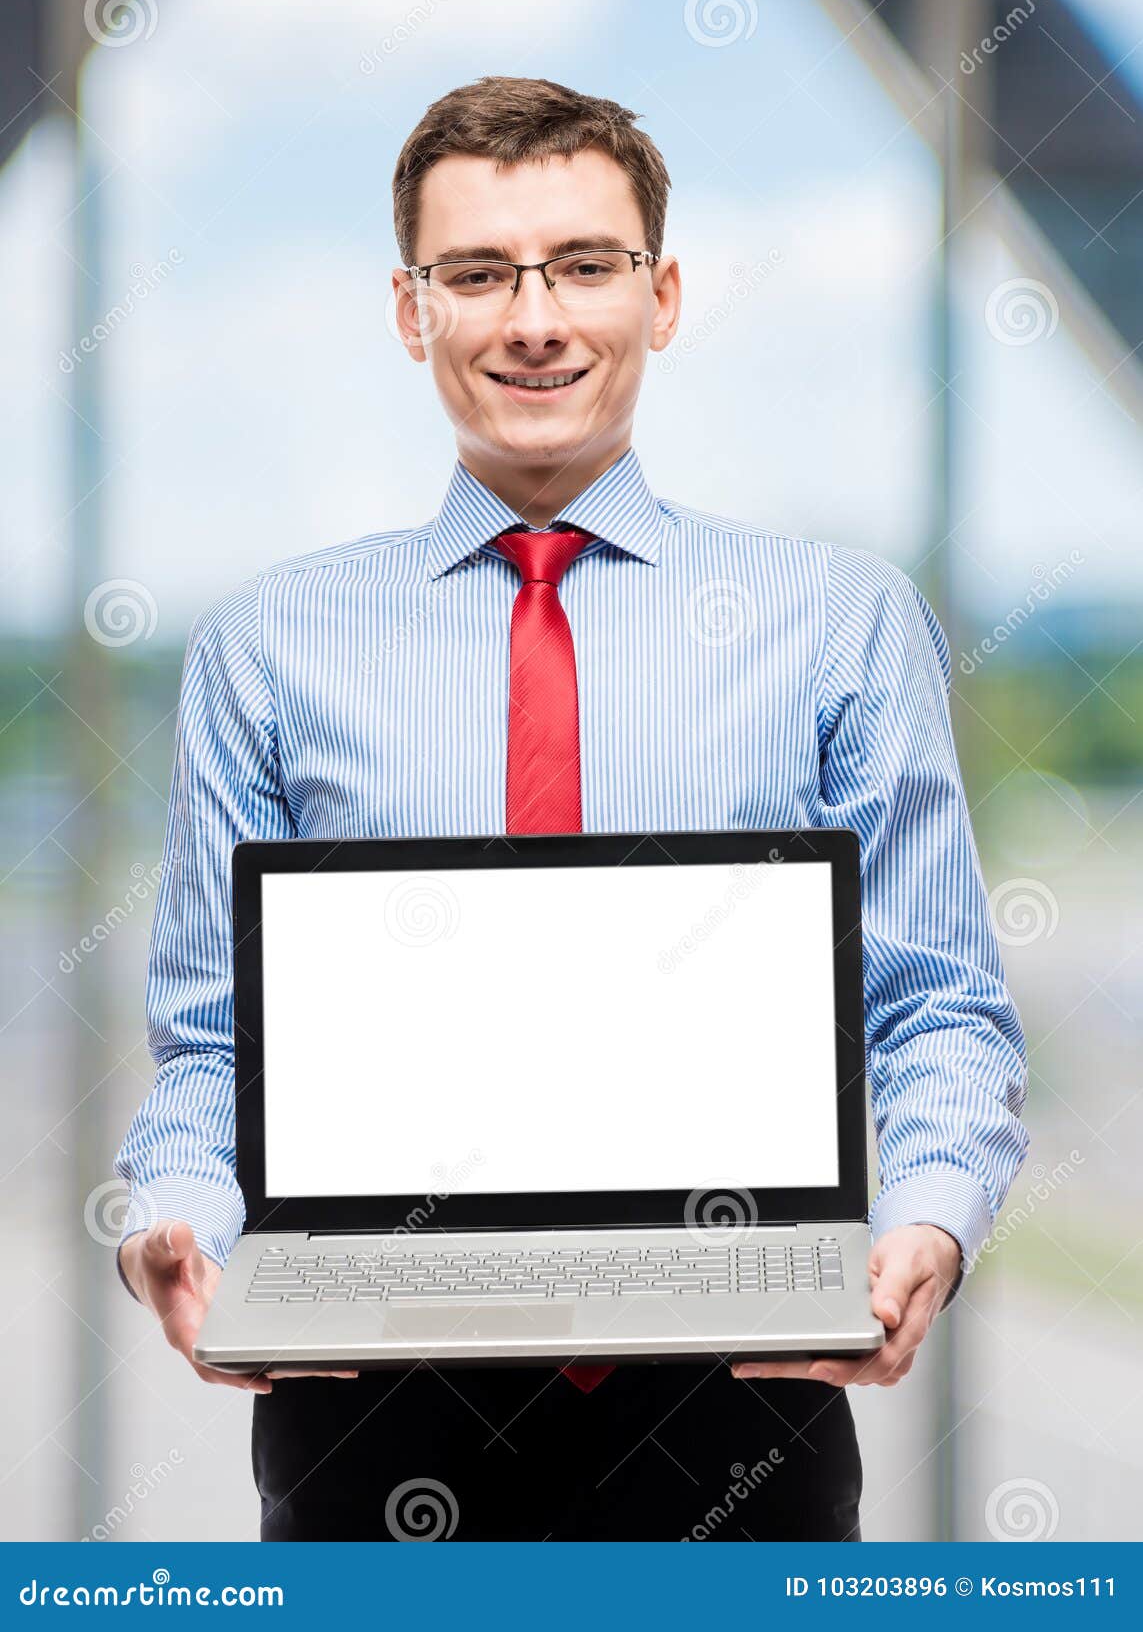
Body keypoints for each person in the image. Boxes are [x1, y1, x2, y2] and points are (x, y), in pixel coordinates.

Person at [115, 75, 1029, 1542]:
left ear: (660, 296)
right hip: (365, 1412)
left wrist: (924, 1219)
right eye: (478, 271)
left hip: (742, 1401)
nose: (533, 318)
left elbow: (937, 1007)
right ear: (412, 312)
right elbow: (215, 1041)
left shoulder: (838, 622)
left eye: (583, 265)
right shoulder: (267, 646)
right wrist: (172, 1220)